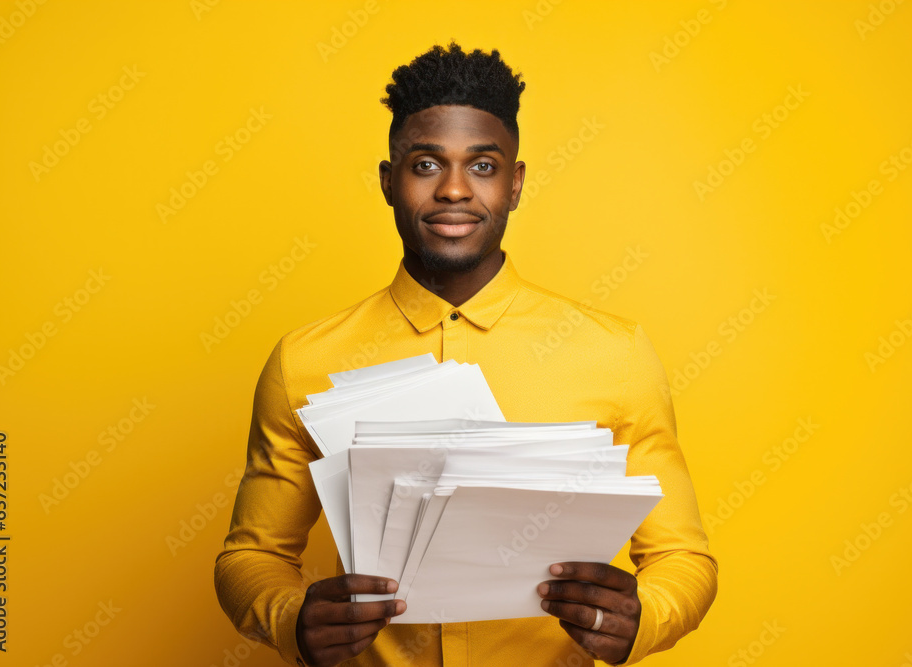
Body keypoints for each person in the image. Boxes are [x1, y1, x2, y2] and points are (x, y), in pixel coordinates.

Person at [214, 41, 717, 666]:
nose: (454, 190)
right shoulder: (303, 360)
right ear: (388, 182)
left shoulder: (614, 353)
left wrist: (644, 619)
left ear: (515, 183)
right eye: (426, 165)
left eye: (482, 166)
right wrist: (291, 619)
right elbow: (253, 556)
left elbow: (681, 557)